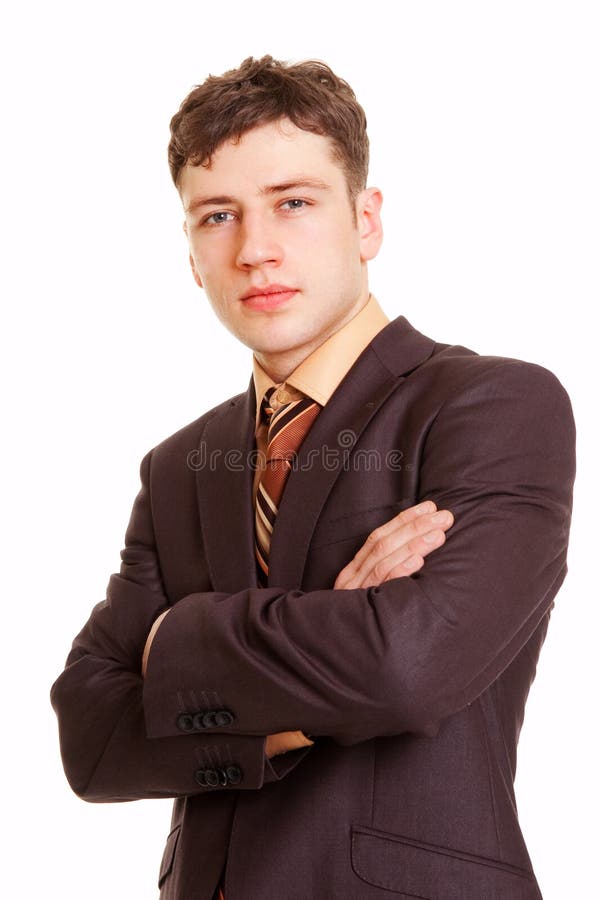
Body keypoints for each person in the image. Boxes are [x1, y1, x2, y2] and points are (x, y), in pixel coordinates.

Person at [51, 55, 576, 900]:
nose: (255, 249)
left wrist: (172, 644)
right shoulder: (181, 463)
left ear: (365, 221)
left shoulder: (491, 405)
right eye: (217, 216)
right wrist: (341, 631)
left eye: (293, 203)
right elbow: (92, 737)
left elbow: (410, 668)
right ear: (190, 255)